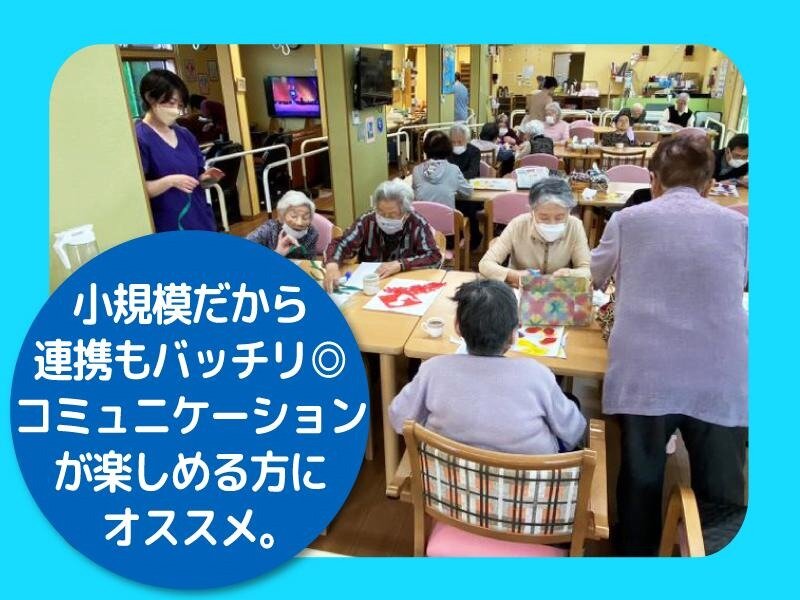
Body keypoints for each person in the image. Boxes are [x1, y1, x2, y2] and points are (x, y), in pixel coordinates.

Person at [590, 134, 748, 556]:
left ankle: (635, 555)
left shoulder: (628, 221)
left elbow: (596, 276)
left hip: (646, 369)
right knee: (722, 489)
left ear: (653, 180)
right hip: (721, 370)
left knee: (641, 478)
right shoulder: (739, 225)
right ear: (709, 184)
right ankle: (713, 552)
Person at [389, 279, 586, 455]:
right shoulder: (538, 375)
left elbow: (398, 418)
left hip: (448, 481)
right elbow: (574, 432)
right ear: (514, 334)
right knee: (569, 406)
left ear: (457, 326)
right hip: (527, 483)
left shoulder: (432, 370)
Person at [135, 69, 221, 232]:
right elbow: (138, 190)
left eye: (179, 105)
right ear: (150, 97)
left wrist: (205, 178)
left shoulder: (185, 135)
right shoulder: (140, 139)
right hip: (168, 224)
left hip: (199, 218)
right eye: (171, 103)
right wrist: (170, 181)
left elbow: (196, 176)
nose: (175, 110)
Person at [323, 179, 442, 291]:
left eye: (392, 215)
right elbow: (341, 244)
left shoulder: (417, 223)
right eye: (381, 213)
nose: (385, 218)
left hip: (404, 284)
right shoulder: (367, 221)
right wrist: (332, 267)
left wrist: (401, 264)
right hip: (370, 284)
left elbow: (434, 257)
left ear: (406, 213)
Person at [479, 177, 591, 286]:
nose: (552, 224)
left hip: (558, 289)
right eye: (544, 218)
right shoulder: (518, 225)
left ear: (569, 212)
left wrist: (570, 274)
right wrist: (513, 275)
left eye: (560, 217)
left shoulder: (574, 226)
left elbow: (587, 269)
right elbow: (485, 264)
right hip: (520, 288)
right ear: (532, 211)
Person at [246, 191, 319, 259]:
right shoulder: (269, 229)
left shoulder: (311, 233)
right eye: (294, 216)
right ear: (282, 215)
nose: (299, 223)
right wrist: (277, 253)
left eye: (305, 217)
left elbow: (310, 261)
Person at [412, 131, 473, 209]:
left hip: (422, 216)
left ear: (425, 148)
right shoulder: (453, 170)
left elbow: (416, 193)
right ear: (448, 148)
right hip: (447, 216)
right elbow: (468, 192)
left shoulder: (416, 170)